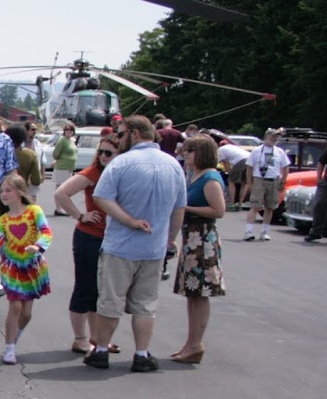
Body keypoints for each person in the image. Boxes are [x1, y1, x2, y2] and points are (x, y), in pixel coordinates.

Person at [84, 116, 186, 372]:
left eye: (121, 134)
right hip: (153, 249)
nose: (118, 139)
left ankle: (102, 350)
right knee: (145, 304)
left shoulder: (121, 163)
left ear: (136, 134)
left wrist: (128, 220)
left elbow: (101, 197)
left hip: (120, 246)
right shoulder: (173, 165)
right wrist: (169, 240)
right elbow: (178, 209)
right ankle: (141, 354)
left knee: (110, 300)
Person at [52, 134, 121, 356]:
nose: (102, 156)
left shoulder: (119, 172)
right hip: (89, 237)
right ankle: (80, 338)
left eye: (108, 153)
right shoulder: (93, 173)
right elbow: (61, 192)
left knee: (101, 291)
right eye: (100, 151)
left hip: (110, 238)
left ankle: (98, 338)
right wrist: (80, 215)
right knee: (85, 288)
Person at [0, 174, 50, 365]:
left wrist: (37, 247)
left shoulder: (34, 211)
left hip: (32, 268)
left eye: (8, 190)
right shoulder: (3, 220)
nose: (3, 195)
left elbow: (46, 232)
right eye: (1, 192)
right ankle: (9, 348)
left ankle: (15, 336)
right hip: (12, 268)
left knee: (27, 313)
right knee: (15, 306)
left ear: (20, 192)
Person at [171, 136, 227, 363]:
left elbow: (218, 210)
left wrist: (186, 208)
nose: (186, 154)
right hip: (191, 239)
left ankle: (196, 343)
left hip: (203, 240)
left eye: (191, 151)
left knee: (200, 293)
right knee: (191, 294)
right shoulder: (194, 175)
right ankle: (190, 343)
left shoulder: (211, 178)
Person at [243, 128, 289, 240]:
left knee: (270, 207)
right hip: (259, 179)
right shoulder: (257, 150)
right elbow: (249, 167)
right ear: (266, 137)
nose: (274, 139)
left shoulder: (279, 152)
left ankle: (264, 232)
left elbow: (285, 166)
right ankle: (248, 231)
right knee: (255, 205)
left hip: (273, 180)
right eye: (272, 136)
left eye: (276, 137)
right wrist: (249, 182)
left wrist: (283, 180)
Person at [213, 134, 250, 214]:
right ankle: (240, 204)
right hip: (249, 159)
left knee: (231, 181)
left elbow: (225, 163)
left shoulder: (220, 150)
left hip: (240, 161)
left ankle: (231, 204)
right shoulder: (234, 147)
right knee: (244, 183)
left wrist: (229, 173)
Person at [50, 123, 79, 213]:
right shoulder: (62, 140)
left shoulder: (72, 140)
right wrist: (58, 159)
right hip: (62, 167)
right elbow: (55, 154)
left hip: (69, 168)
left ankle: (63, 208)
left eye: (71, 130)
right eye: (67, 130)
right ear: (64, 131)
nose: (69, 131)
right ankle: (58, 209)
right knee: (60, 188)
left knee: (66, 188)